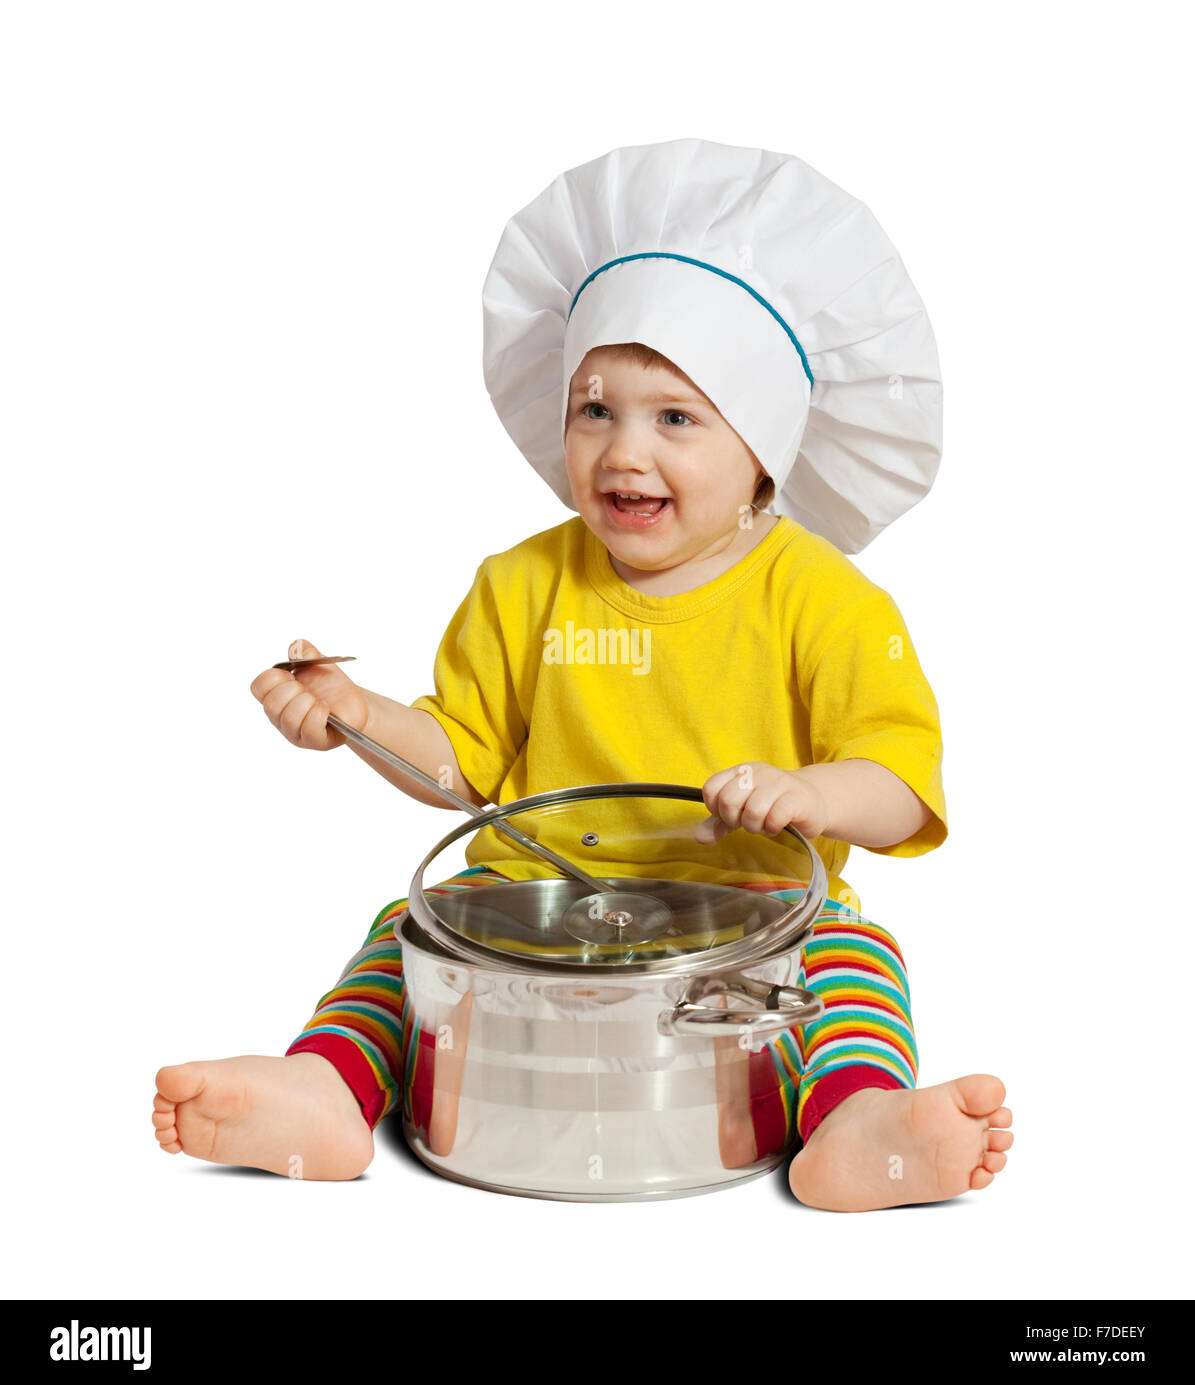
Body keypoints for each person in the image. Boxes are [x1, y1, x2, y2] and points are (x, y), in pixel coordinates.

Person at [151, 139, 1013, 1210]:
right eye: (594, 409)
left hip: (749, 911)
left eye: (677, 418)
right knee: (402, 941)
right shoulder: (519, 585)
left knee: (852, 959)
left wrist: (814, 794)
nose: (622, 452)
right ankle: (325, 1090)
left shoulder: (824, 600)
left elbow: (899, 784)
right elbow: (461, 765)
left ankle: (851, 1124)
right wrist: (358, 716)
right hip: (533, 908)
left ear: (762, 451)